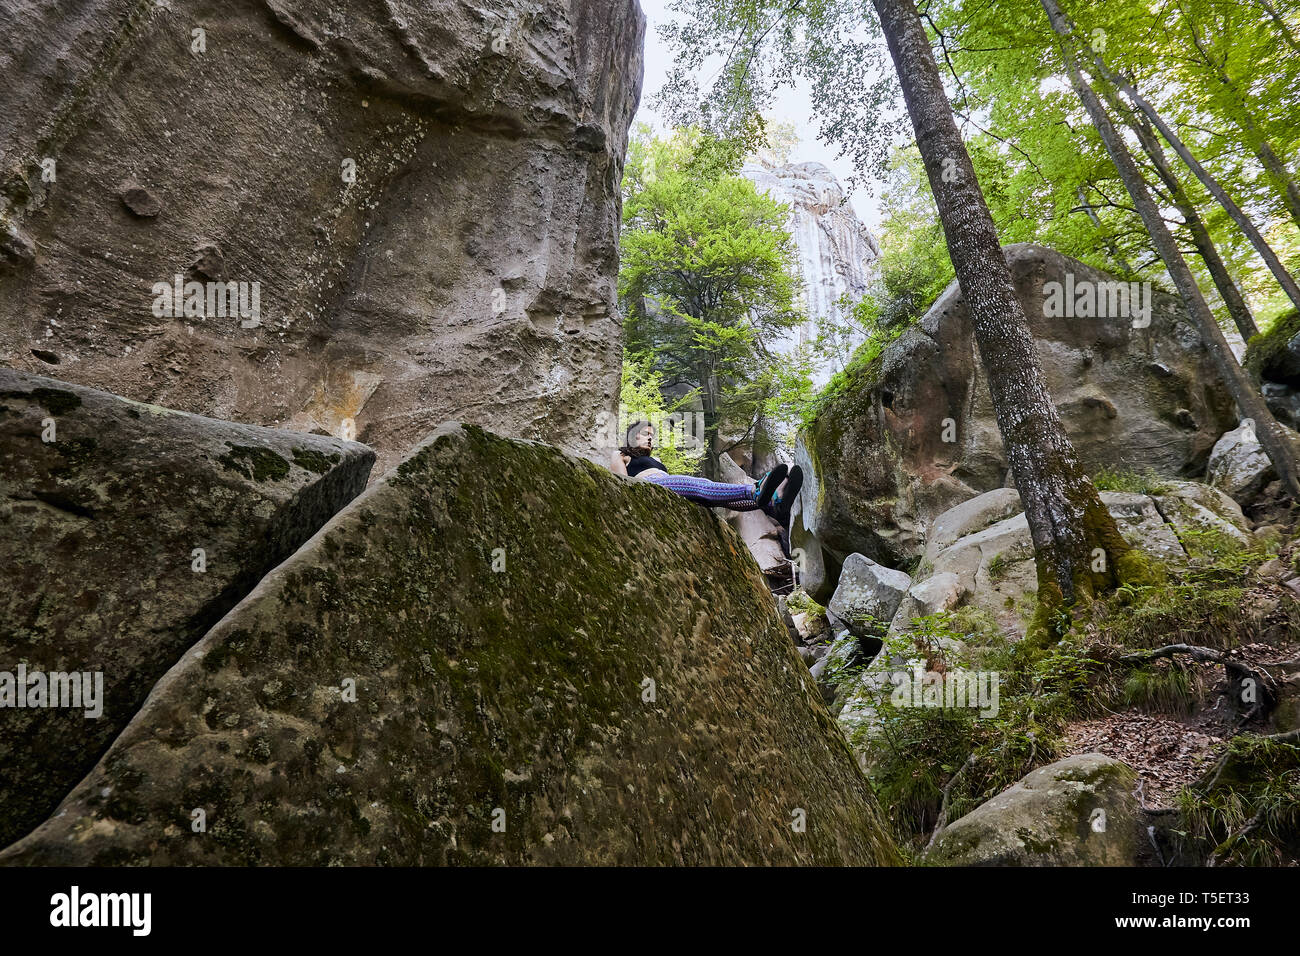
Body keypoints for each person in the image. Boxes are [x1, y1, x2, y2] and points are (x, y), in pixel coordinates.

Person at [609, 420, 803, 520]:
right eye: (645, 434)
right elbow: (620, 484)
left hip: (668, 488)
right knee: (702, 485)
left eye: (652, 435)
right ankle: (754, 490)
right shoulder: (622, 454)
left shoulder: (656, 460)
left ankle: (772, 503)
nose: (650, 438)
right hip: (649, 486)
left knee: (714, 496)